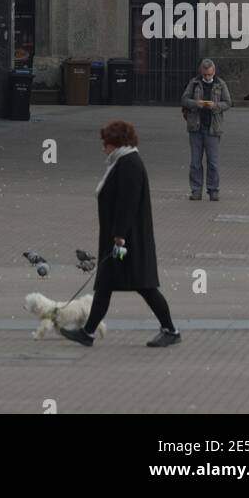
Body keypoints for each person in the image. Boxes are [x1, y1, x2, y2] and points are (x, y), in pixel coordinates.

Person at [59, 120, 180, 349]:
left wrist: (119, 235)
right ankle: (88, 332)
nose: (103, 147)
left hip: (128, 240)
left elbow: (128, 203)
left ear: (116, 143)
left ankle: (171, 329)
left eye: (105, 143)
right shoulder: (122, 162)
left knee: (145, 286)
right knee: (104, 284)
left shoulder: (129, 164)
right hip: (119, 237)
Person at [181, 58, 231, 202]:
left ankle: (213, 190)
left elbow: (228, 103)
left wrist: (215, 106)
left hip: (213, 129)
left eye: (209, 74)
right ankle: (196, 191)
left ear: (214, 71)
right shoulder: (194, 83)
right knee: (195, 162)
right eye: (205, 75)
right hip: (195, 127)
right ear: (201, 72)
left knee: (213, 162)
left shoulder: (220, 84)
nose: (207, 77)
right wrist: (196, 103)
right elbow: (184, 99)